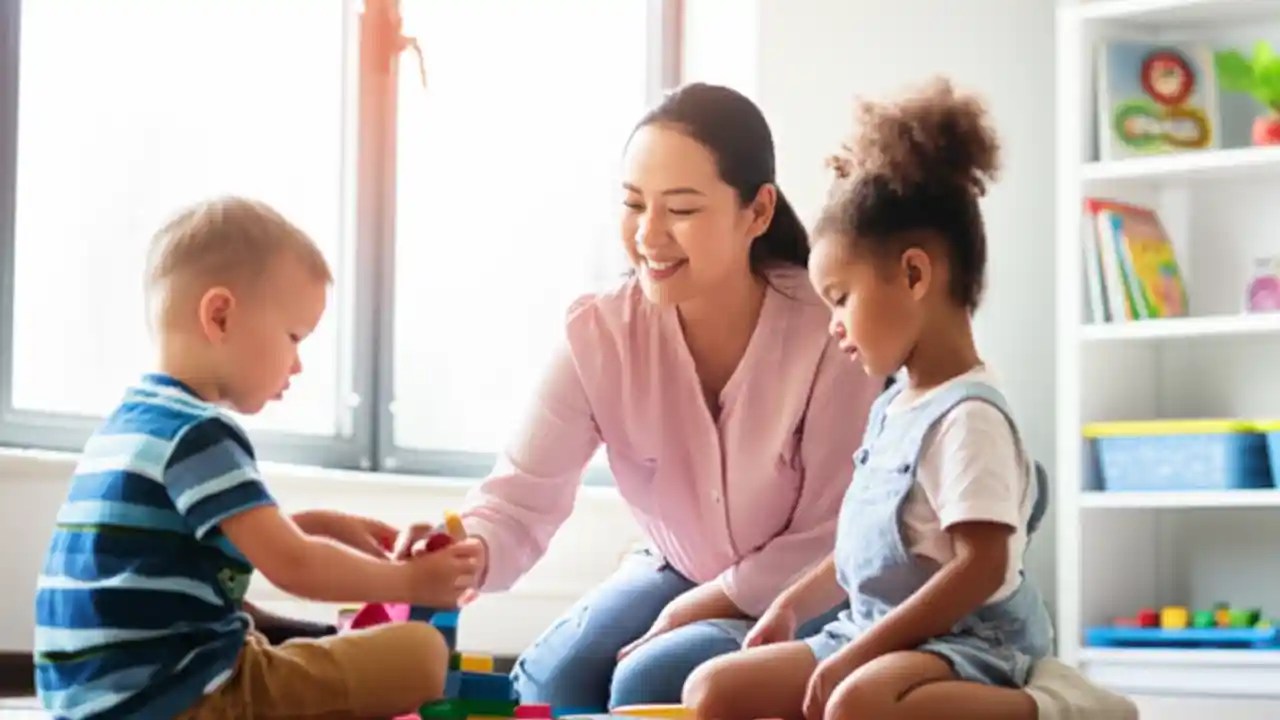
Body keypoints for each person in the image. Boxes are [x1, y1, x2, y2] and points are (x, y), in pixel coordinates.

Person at [398, 82, 883, 711]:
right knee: (553, 680)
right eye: (633, 204)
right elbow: (518, 499)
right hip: (680, 564)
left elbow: (835, 535)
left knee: (650, 681)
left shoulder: (829, 329)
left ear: (757, 213)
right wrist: (461, 549)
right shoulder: (599, 334)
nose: (649, 235)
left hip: (817, 586)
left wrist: (691, 610)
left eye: (680, 209)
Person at [681, 79, 1138, 720]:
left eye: (841, 299)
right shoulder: (893, 404)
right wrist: (790, 605)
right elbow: (869, 551)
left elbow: (981, 568)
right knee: (713, 690)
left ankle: (1058, 709)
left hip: (970, 644)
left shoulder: (969, 418)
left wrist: (862, 651)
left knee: (857, 703)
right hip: (881, 630)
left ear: (915, 275)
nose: (832, 324)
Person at [33, 197, 483, 719]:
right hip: (181, 699)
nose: (297, 364)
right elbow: (293, 565)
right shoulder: (199, 432)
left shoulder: (128, 426)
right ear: (220, 315)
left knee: (269, 639)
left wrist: (323, 525)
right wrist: (411, 584)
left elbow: (191, 550)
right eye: (294, 337)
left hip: (92, 703)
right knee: (421, 653)